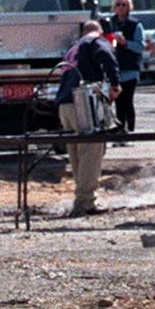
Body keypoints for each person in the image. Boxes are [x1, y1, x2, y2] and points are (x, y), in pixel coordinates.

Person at [55, 21, 121, 216]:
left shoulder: (72, 49)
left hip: (64, 105)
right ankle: (84, 202)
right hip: (82, 103)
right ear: (99, 32)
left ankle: (84, 198)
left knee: (77, 154)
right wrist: (115, 84)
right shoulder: (94, 41)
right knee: (91, 151)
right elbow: (107, 55)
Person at [107, 0, 145, 133]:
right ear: (114, 7)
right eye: (118, 4)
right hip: (115, 68)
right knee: (118, 102)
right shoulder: (109, 24)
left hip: (130, 69)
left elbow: (141, 46)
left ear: (129, 7)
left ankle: (130, 131)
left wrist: (126, 43)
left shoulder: (135, 24)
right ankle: (120, 131)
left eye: (124, 5)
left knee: (127, 100)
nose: (121, 7)